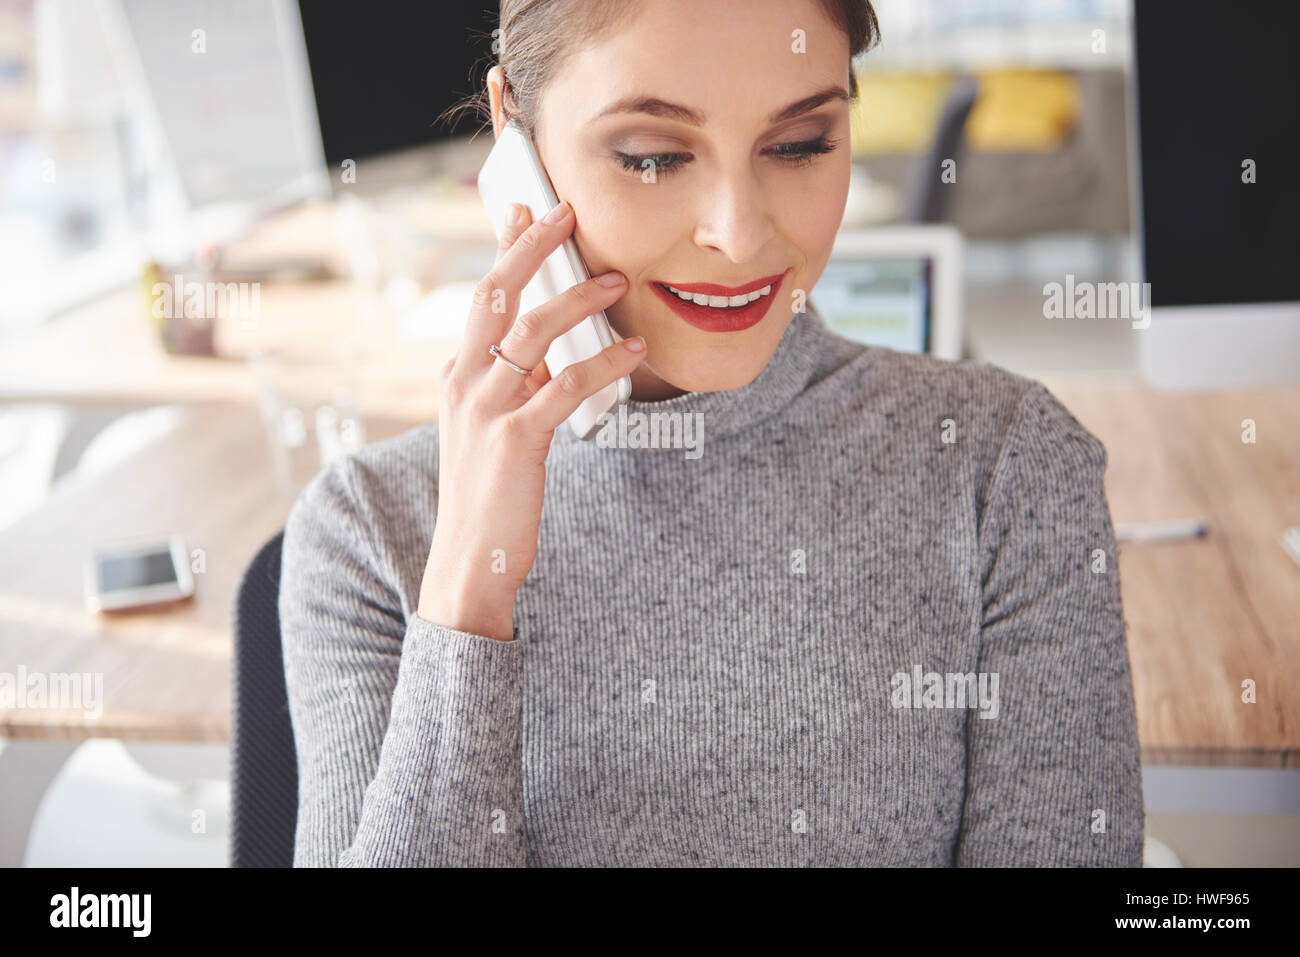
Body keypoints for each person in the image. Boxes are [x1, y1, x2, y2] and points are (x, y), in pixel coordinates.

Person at [279, 0, 1144, 866]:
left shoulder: (1005, 468)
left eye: (800, 143)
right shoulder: (368, 528)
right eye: (652, 157)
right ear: (515, 136)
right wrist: (467, 592)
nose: (739, 235)